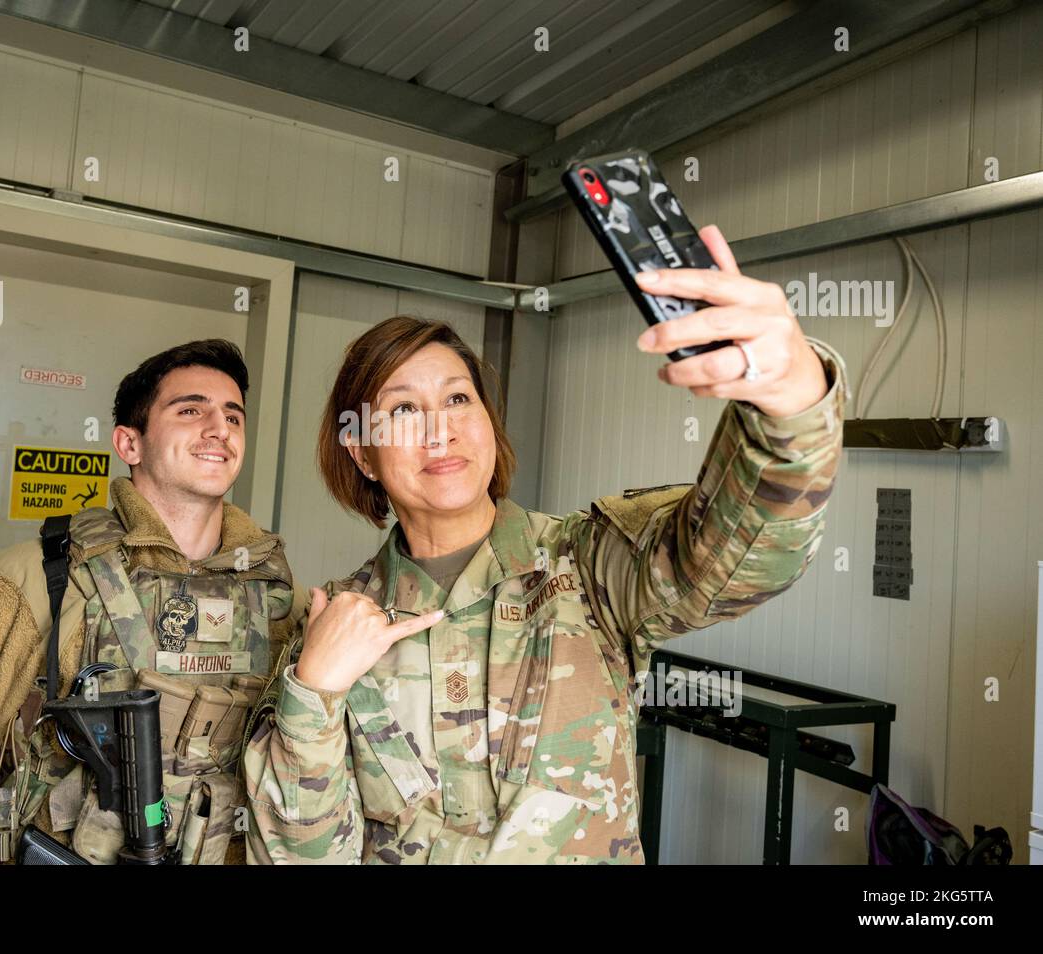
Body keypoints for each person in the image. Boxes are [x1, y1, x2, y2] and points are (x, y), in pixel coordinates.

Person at [242, 225, 848, 864]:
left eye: (458, 398)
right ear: (363, 454)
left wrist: (788, 405)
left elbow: (738, 558)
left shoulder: (586, 565)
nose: (440, 430)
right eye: (402, 411)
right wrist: (313, 692)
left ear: (488, 424)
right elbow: (296, 856)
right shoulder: (332, 624)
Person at [0, 339, 297, 864]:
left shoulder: (278, 593)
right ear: (129, 444)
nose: (220, 428)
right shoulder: (26, 581)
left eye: (233, 416)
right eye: (191, 410)